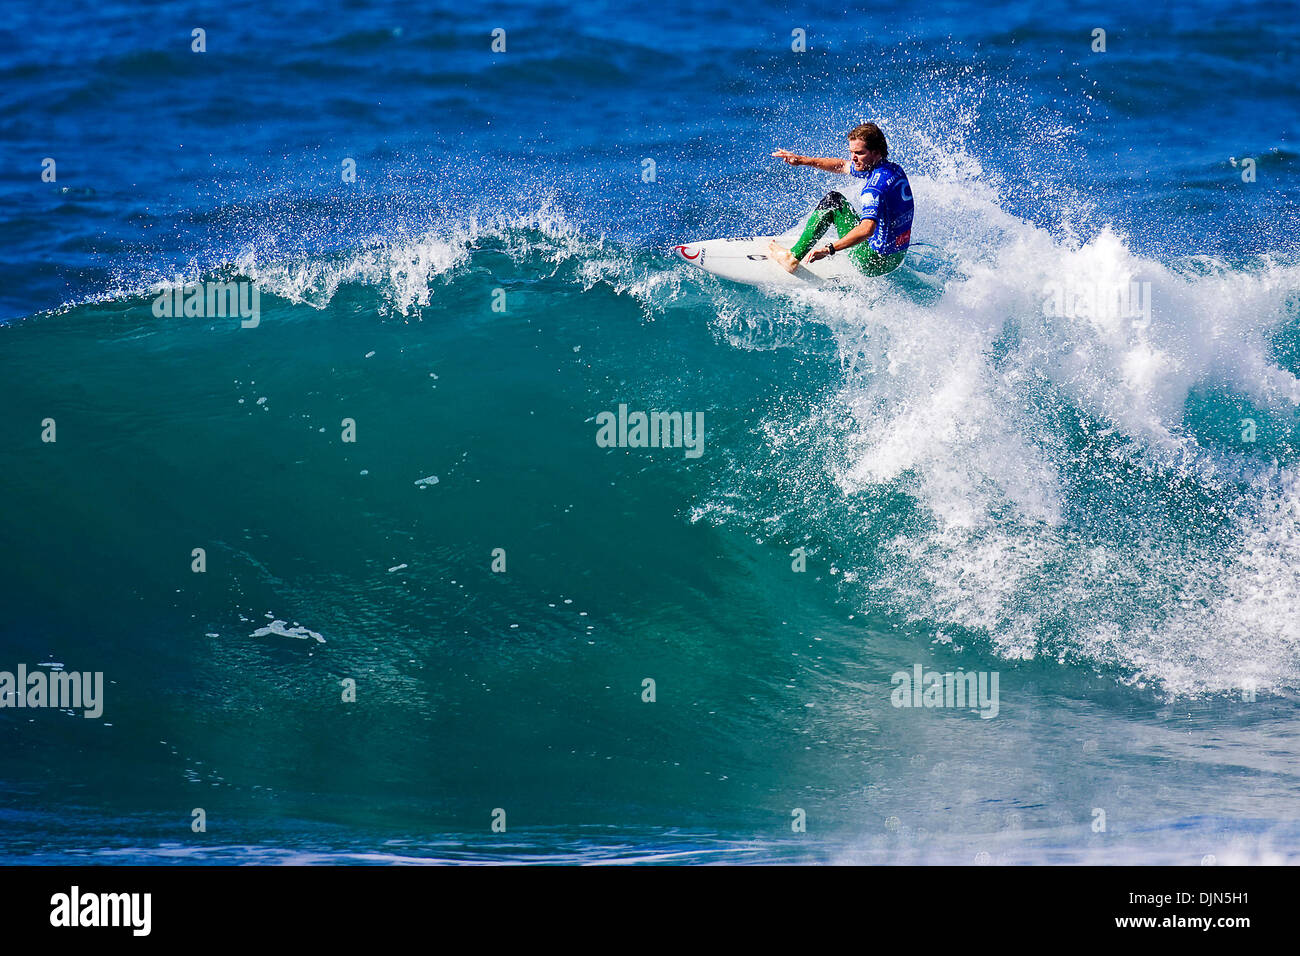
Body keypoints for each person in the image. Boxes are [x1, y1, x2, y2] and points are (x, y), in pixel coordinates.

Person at [768, 122, 914, 276]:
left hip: (873, 262)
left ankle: (791, 258)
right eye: (852, 152)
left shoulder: (874, 188)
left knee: (833, 201)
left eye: (859, 153)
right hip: (897, 256)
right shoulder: (893, 170)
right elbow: (842, 165)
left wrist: (829, 249)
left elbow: (867, 229)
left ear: (876, 152)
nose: (854, 158)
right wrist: (802, 160)